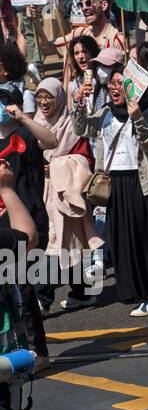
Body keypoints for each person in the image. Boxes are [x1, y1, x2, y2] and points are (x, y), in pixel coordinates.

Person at [73, 63, 148, 315]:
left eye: (121, 84)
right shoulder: (105, 112)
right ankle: (139, 292)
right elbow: (81, 128)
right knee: (125, 240)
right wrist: (79, 103)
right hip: (115, 183)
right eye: (112, 84)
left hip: (142, 182)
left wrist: (136, 115)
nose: (115, 89)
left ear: (133, 89)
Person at [12, 79, 102, 310]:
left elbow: (85, 158)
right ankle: (79, 293)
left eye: (48, 97)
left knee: (69, 243)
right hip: (42, 194)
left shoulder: (70, 125)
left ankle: (45, 298)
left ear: (59, 98)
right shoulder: (36, 124)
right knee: (57, 243)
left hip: (66, 194)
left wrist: (58, 165)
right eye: (40, 97)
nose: (43, 102)